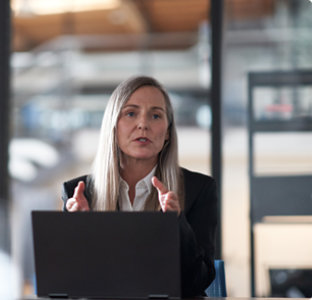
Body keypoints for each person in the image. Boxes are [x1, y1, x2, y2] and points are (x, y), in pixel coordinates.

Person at [61, 75, 218, 297]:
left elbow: (198, 281)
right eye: (131, 113)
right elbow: (68, 285)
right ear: (113, 127)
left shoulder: (199, 189)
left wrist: (176, 223)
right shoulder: (78, 193)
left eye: (155, 115)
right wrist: (82, 230)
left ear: (167, 134)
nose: (143, 124)